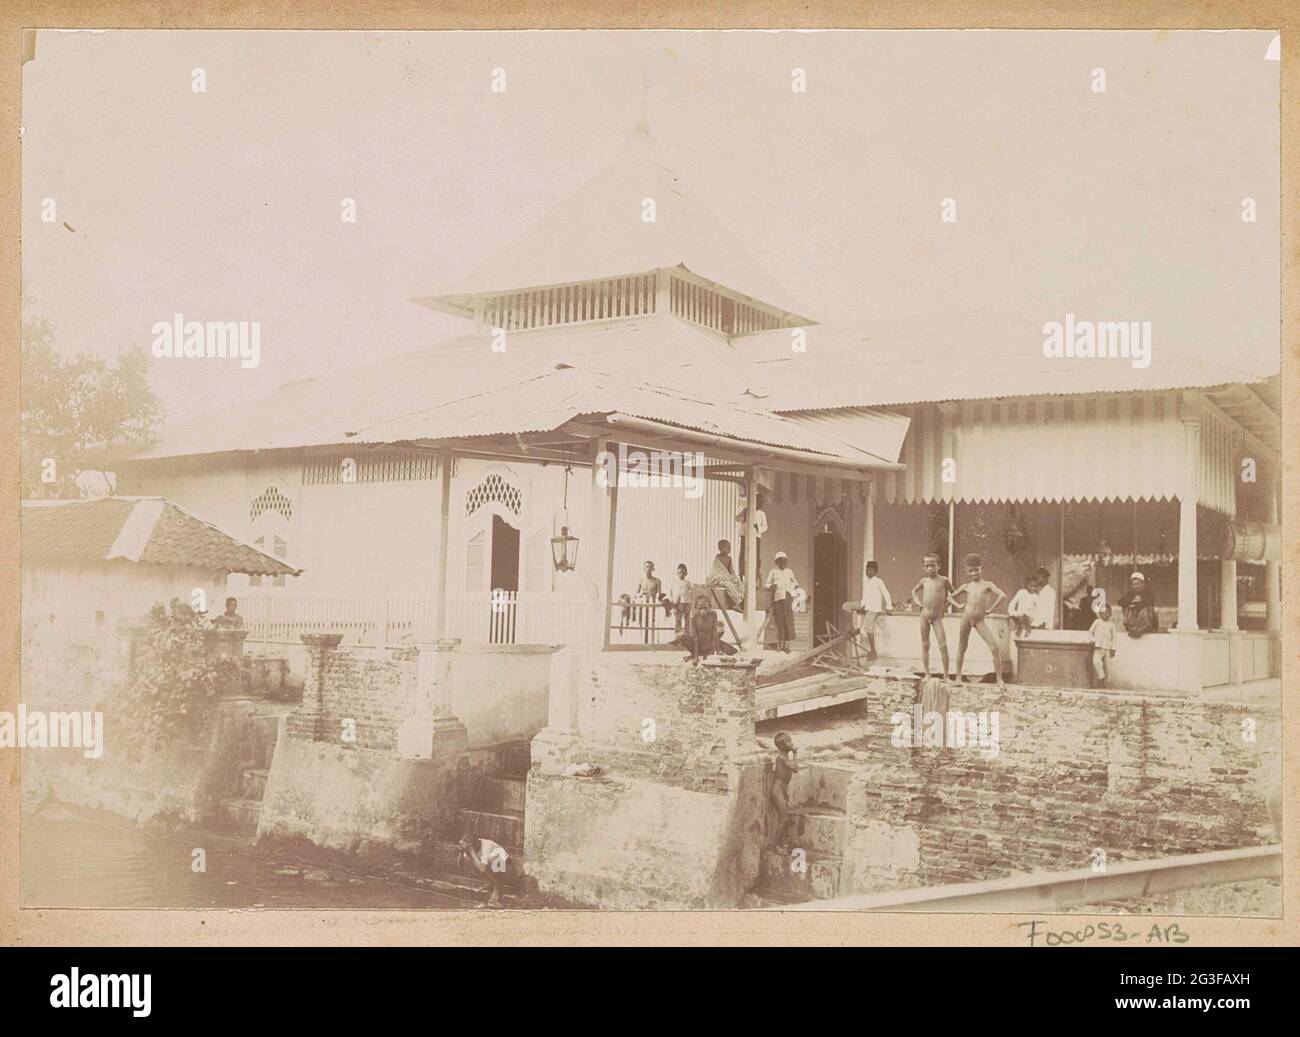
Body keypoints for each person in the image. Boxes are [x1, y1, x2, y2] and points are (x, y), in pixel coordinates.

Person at [950, 553, 1007, 689]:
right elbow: (950, 597)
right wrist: (958, 606)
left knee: (994, 647)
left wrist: (991, 609)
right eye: (970, 570)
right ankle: (958, 677)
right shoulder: (966, 587)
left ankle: (999, 680)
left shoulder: (987, 585)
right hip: (966, 618)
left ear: (982, 569)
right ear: (966, 572)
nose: (974, 573)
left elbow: (1002, 595)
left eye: (976, 569)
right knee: (962, 646)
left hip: (980, 620)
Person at [910, 553, 953, 680]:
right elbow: (913, 591)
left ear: (938, 566)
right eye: (927, 566)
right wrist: (917, 602)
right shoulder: (924, 581)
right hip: (924, 616)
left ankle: (946, 675)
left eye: (932, 565)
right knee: (925, 644)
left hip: (937, 617)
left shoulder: (944, 580)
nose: (930, 568)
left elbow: (954, 594)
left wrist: (945, 607)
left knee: (943, 645)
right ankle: (927, 673)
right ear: (923, 568)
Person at [853, 560, 893, 660]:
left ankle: (873, 651)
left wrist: (889, 607)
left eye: (870, 570)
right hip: (868, 608)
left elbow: (886, 593)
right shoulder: (867, 582)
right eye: (867, 570)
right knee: (868, 629)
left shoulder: (878, 581)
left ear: (875, 571)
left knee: (864, 628)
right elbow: (865, 597)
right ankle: (873, 651)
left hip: (874, 608)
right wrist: (862, 606)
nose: (868, 572)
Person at [767, 731, 800, 849]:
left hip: (781, 790)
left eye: (791, 740)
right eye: (788, 741)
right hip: (777, 791)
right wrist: (795, 754)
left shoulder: (785, 757)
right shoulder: (781, 758)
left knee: (785, 819)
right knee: (784, 818)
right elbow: (795, 769)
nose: (791, 743)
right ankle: (777, 846)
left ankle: (782, 843)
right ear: (781, 746)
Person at [764, 550, 800, 653]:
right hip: (778, 599)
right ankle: (779, 645)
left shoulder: (789, 571)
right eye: (780, 561)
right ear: (776, 562)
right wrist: (772, 586)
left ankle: (787, 646)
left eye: (784, 561)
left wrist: (792, 588)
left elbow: (796, 583)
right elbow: (767, 584)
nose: (782, 563)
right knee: (780, 622)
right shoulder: (773, 572)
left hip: (788, 598)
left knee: (788, 621)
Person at [1117, 571, 1159, 638]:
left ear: (1143, 584)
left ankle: (1140, 629)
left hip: (1145, 620)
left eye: (1138, 584)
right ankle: (1133, 628)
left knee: (1146, 607)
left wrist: (1136, 604)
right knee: (1127, 608)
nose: (1135, 586)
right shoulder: (1130, 594)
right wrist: (1132, 602)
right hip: (1133, 618)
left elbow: (1150, 600)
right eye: (1133, 584)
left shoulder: (1148, 593)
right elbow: (1120, 602)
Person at [707, 539, 744, 611]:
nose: (729, 549)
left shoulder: (729, 558)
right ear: (720, 549)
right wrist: (723, 577)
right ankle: (736, 602)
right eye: (726, 548)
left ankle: (742, 597)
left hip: (727, 576)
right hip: (719, 577)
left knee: (738, 581)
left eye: (729, 548)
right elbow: (716, 570)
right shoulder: (718, 558)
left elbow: (731, 570)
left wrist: (733, 577)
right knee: (728, 585)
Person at [736, 492, 768, 576]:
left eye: (762, 502)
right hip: (745, 535)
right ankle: (742, 572)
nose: (761, 504)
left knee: (756, 554)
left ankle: (755, 573)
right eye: (759, 501)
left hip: (756, 536)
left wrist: (758, 528)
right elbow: (737, 518)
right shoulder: (746, 510)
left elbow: (765, 526)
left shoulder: (762, 514)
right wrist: (744, 519)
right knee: (743, 553)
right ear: (754, 500)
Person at [1007, 570, 1042, 638]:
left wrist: (1035, 618)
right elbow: (1012, 603)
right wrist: (1012, 612)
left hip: (1029, 617)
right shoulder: (1021, 592)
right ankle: (1021, 627)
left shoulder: (1035, 596)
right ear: (1026, 584)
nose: (1033, 588)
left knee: (1025, 615)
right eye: (1031, 586)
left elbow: (1038, 609)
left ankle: (1028, 630)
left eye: (1035, 586)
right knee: (1014, 616)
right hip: (1020, 616)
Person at [1089, 605, 1117, 686]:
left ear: (1110, 614)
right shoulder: (1097, 622)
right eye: (1103, 612)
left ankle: (1107, 684)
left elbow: (1114, 638)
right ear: (1100, 613)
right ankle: (1101, 677)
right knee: (1096, 662)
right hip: (1098, 647)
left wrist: (1113, 649)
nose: (1105, 614)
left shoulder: (1111, 625)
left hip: (1107, 647)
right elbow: (1090, 632)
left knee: (1108, 666)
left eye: (1107, 612)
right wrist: (1092, 640)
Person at [669, 563, 691, 633]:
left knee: (687, 620)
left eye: (683, 572)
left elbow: (692, 591)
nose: (681, 574)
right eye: (680, 572)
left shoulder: (687, 583)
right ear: (677, 573)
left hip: (686, 603)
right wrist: (672, 603)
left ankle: (687, 635)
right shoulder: (674, 583)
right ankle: (678, 636)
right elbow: (671, 593)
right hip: (677, 604)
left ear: (686, 573)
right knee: (678, 620)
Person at [1034, 566, 1058, 631]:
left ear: (1044, 579)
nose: (1037, 580)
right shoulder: (1041, 592)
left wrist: (1043, 624)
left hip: (1044, 627)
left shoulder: (1049, 592)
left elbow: (1048, 610)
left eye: (1038, 578)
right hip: (1038, 626)